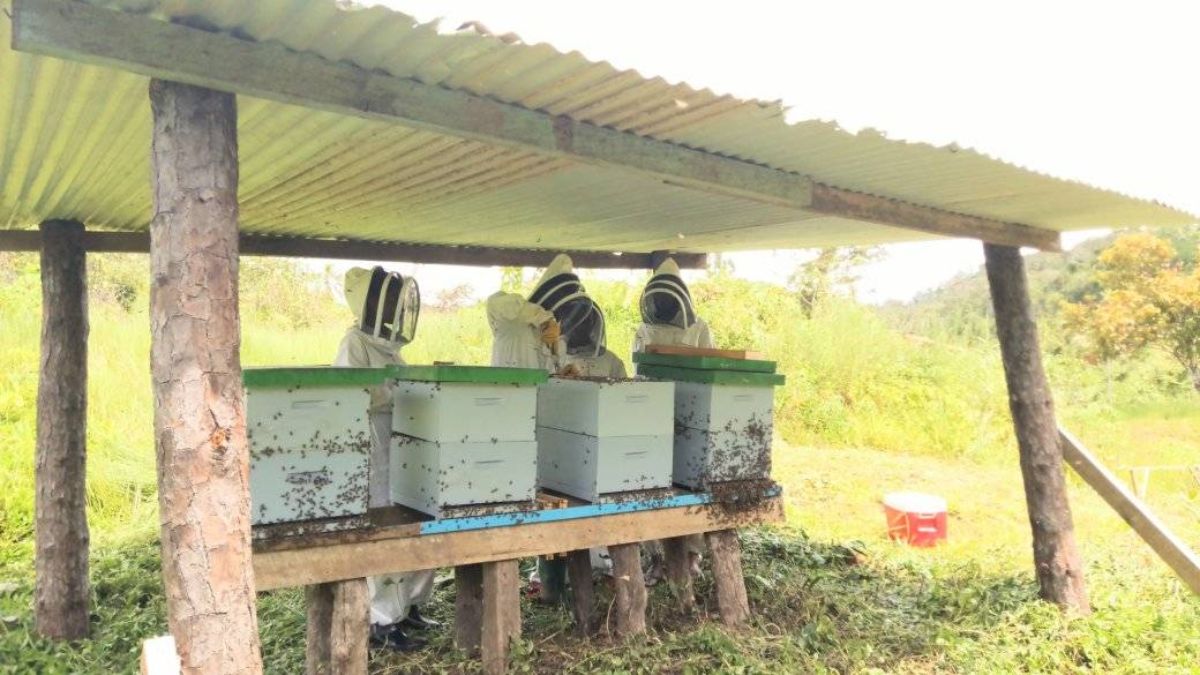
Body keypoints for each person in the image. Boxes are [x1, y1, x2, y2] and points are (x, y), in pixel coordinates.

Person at [334, 266, 439, 652]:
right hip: (374, 441)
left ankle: (410, 606)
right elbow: (350, 392)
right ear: (373, 304)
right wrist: (396, 393)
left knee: (415, 518)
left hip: (403, 438)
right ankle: (382, 620)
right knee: (384, 524)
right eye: (390, 302)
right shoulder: (354, 343)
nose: (395, 309)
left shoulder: (391, 347)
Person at [632, 258, 713, 584]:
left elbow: (710, 374)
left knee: (691, 483)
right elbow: (637, 370)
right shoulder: (643, 328)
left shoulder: (699, 327)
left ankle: (692, 555)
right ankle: (656, 558)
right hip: (652, 414)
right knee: (650, 484)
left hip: (689, 414)